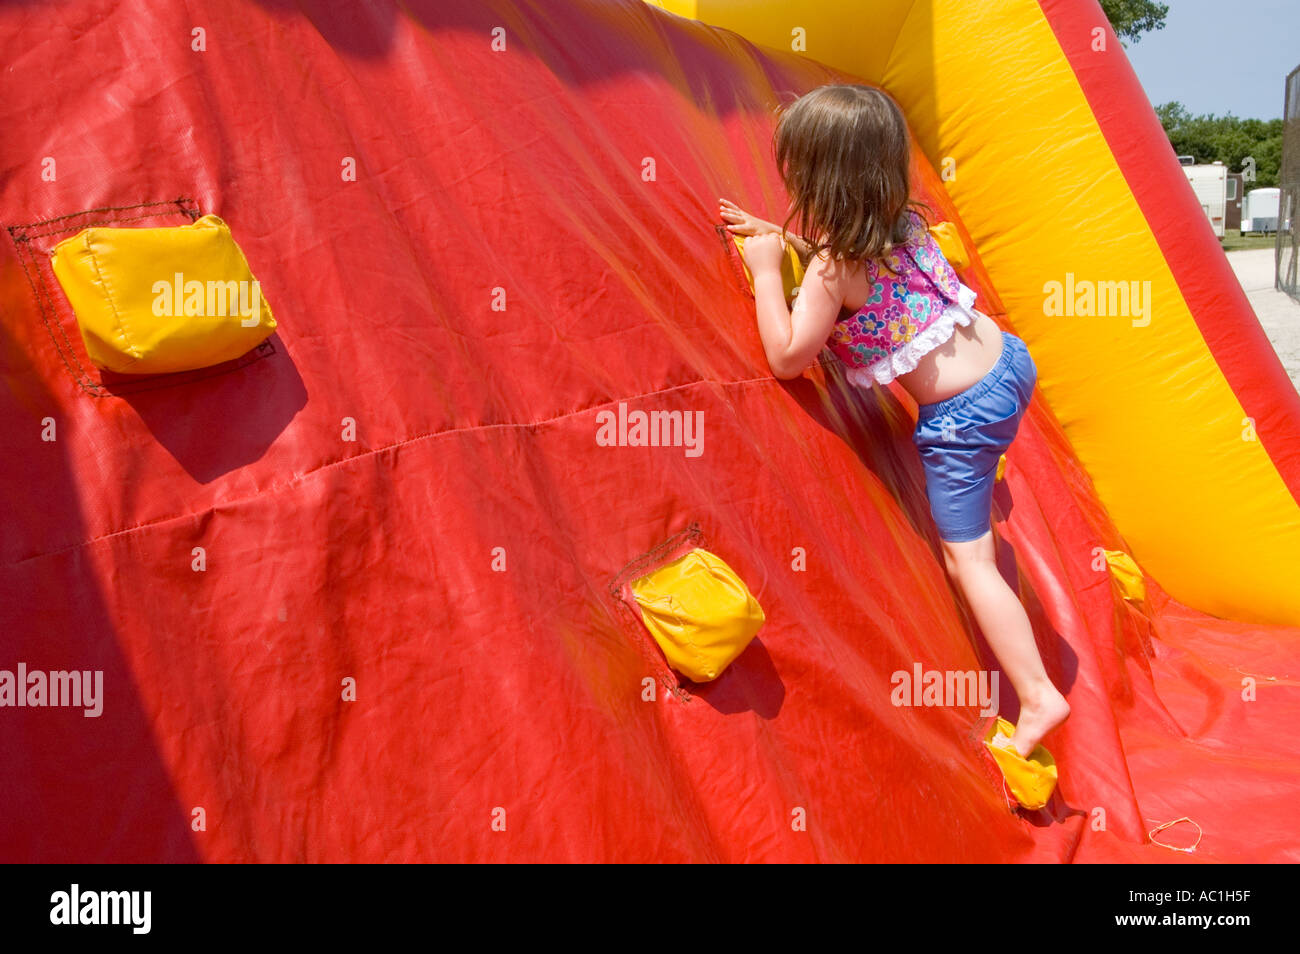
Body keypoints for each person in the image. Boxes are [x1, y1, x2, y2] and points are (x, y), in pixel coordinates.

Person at [719, 84, 1069, 758]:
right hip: (1007, 364)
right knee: (975, 542)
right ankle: (1035, 687)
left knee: (970, 562)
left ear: (815, 175)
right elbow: (862, 268)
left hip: (962, 416)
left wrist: (768, 270)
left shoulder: (830, 271)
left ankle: (1036, 695)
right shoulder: (905, 222)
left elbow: (790, 356)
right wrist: (782, 234)